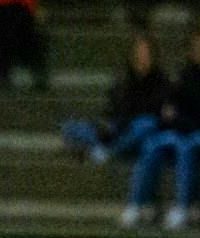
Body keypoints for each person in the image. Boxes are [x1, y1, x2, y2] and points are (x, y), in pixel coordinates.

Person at [122, 25, 200, 230]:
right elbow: (170, 112)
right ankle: (135, 205)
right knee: (152, 145)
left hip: (191, 134)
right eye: (196, 45)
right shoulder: (185, 77)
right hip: (182, 132)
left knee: (186, 146)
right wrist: (182, 121)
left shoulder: (165, 79)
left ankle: (182, 207)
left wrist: (183, 120)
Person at [64, 31, 171, 164]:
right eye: (139, 52)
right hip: (119, 128)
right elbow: (113, 108)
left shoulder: (161, 81)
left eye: (146, 53)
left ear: (153, 56)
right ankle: (100, 147)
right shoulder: (123, 80)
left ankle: (108, 152)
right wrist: (107, 123)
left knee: (145, 125)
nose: (142, 57)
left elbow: (155, 110)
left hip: (139, 132)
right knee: (70, 127)